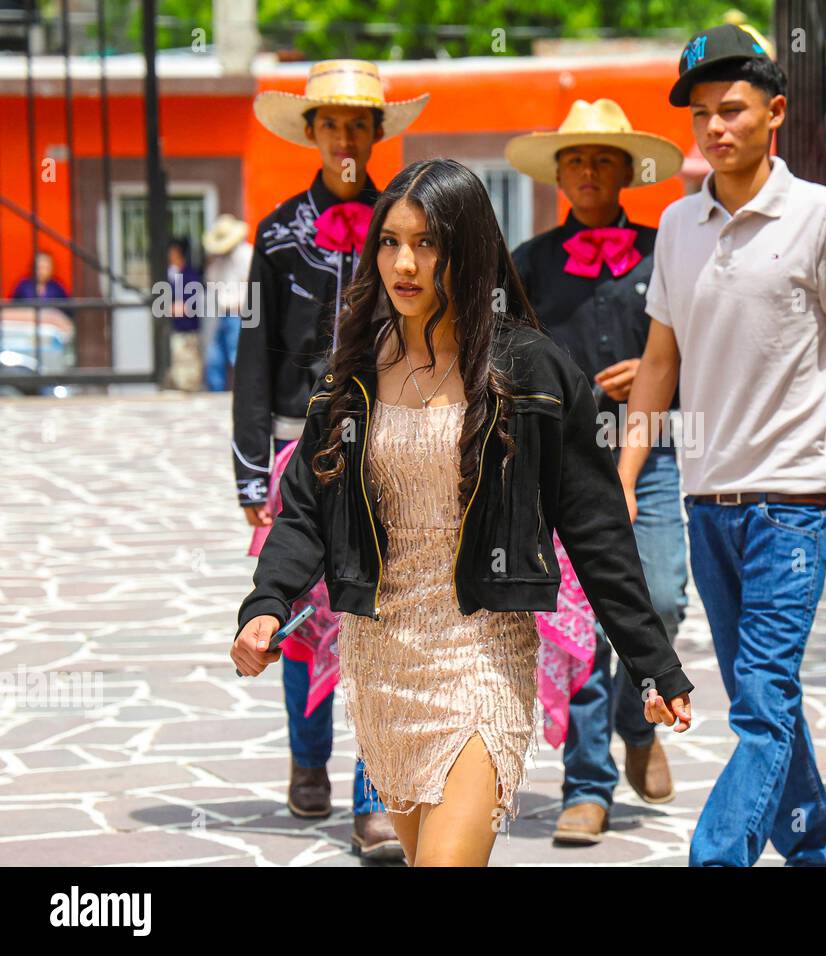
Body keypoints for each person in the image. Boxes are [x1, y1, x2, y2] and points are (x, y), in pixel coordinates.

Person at [231, 158, 693, 867]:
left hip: (482, 652)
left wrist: (652, 663)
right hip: (384, 656)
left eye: (428, 243)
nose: (404, 263)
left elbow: (597, 528)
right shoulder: (351, 373)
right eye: (390, 242)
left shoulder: (532, 374)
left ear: (469, 249)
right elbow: (306, 511)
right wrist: (266, 602)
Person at [619, 24, 826, 867]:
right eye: (702, 114)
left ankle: (718, 856)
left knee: (763, 702)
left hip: (792, 508)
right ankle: (819, 854)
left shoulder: (822, 217)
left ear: (775, 112)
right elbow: (660, 361)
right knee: (761, 700)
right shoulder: (677, 226)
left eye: (732, 109)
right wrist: (625, 472)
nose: (715, 128)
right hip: (708, 506)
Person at [232, 59, 428, 862]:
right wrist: (253, 473)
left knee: (376, 613)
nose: (345, 138)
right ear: (310, 133)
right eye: (331, 124)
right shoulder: (276, 237)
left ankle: (373, 792)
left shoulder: (409, 227)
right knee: (304, 616)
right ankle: (308, 756)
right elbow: (252, 355)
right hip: (296, 452)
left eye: (360, 124)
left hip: (388, 444)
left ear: (377, 133)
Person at [506, 98, 689, 845]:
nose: (586, 171)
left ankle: (636, 722)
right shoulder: (528, 264)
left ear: (627, 172)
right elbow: (507, 364)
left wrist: (652, 375)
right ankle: (588, 784)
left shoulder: (666, 255)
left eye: (601, 159)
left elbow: (697, 356)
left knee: (667, 599)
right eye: (574, 159)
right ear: (559, 174)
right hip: (565, 467)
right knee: (578, 627)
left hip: (656, 457)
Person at [202, 215, 254, 392]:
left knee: (238, 357)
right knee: (215, 359)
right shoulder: (219, 260)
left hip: (240, 314)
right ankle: (217, 394)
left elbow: (253, 286)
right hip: (224, 314)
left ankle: (246, 393)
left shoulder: (246, 255)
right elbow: (211, 280)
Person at [164, 237, 204, 392]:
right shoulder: (166, 274)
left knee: (188, 365)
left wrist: (177, 308)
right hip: (171, 329)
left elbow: (189, 305)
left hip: (187, 328)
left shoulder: (190, 275)